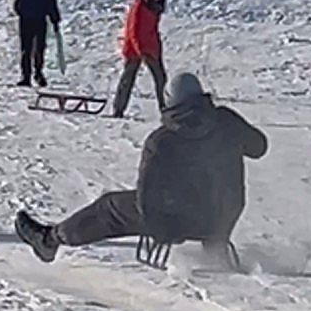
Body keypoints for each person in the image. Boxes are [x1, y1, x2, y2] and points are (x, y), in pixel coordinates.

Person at [14, 73, 268, 270]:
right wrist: (234, 130)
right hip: (225, 214)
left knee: (109, 207)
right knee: (205, 195)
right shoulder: (226, 121)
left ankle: (50, 240)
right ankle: (214, 249)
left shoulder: (163, 141)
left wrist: (160, 229)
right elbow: (259, 148)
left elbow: (146, 195)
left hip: (177, 221)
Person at [112, 0, 168, 118]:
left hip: (151, 47)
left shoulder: (157, 6)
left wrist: (156, 46)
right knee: (128, 78)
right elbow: (133, 31)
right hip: (135, 48)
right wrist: (139, 50)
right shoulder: (139, 5)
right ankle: (118, 109)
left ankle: (166, 109)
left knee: (161, 79)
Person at [4, 0, 61, 87]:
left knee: (39, 49)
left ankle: (38, 73)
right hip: (25, 20)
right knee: (26, 50)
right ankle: (26, 76)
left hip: (40, 20)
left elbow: (51, 1)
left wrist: (55, 19)